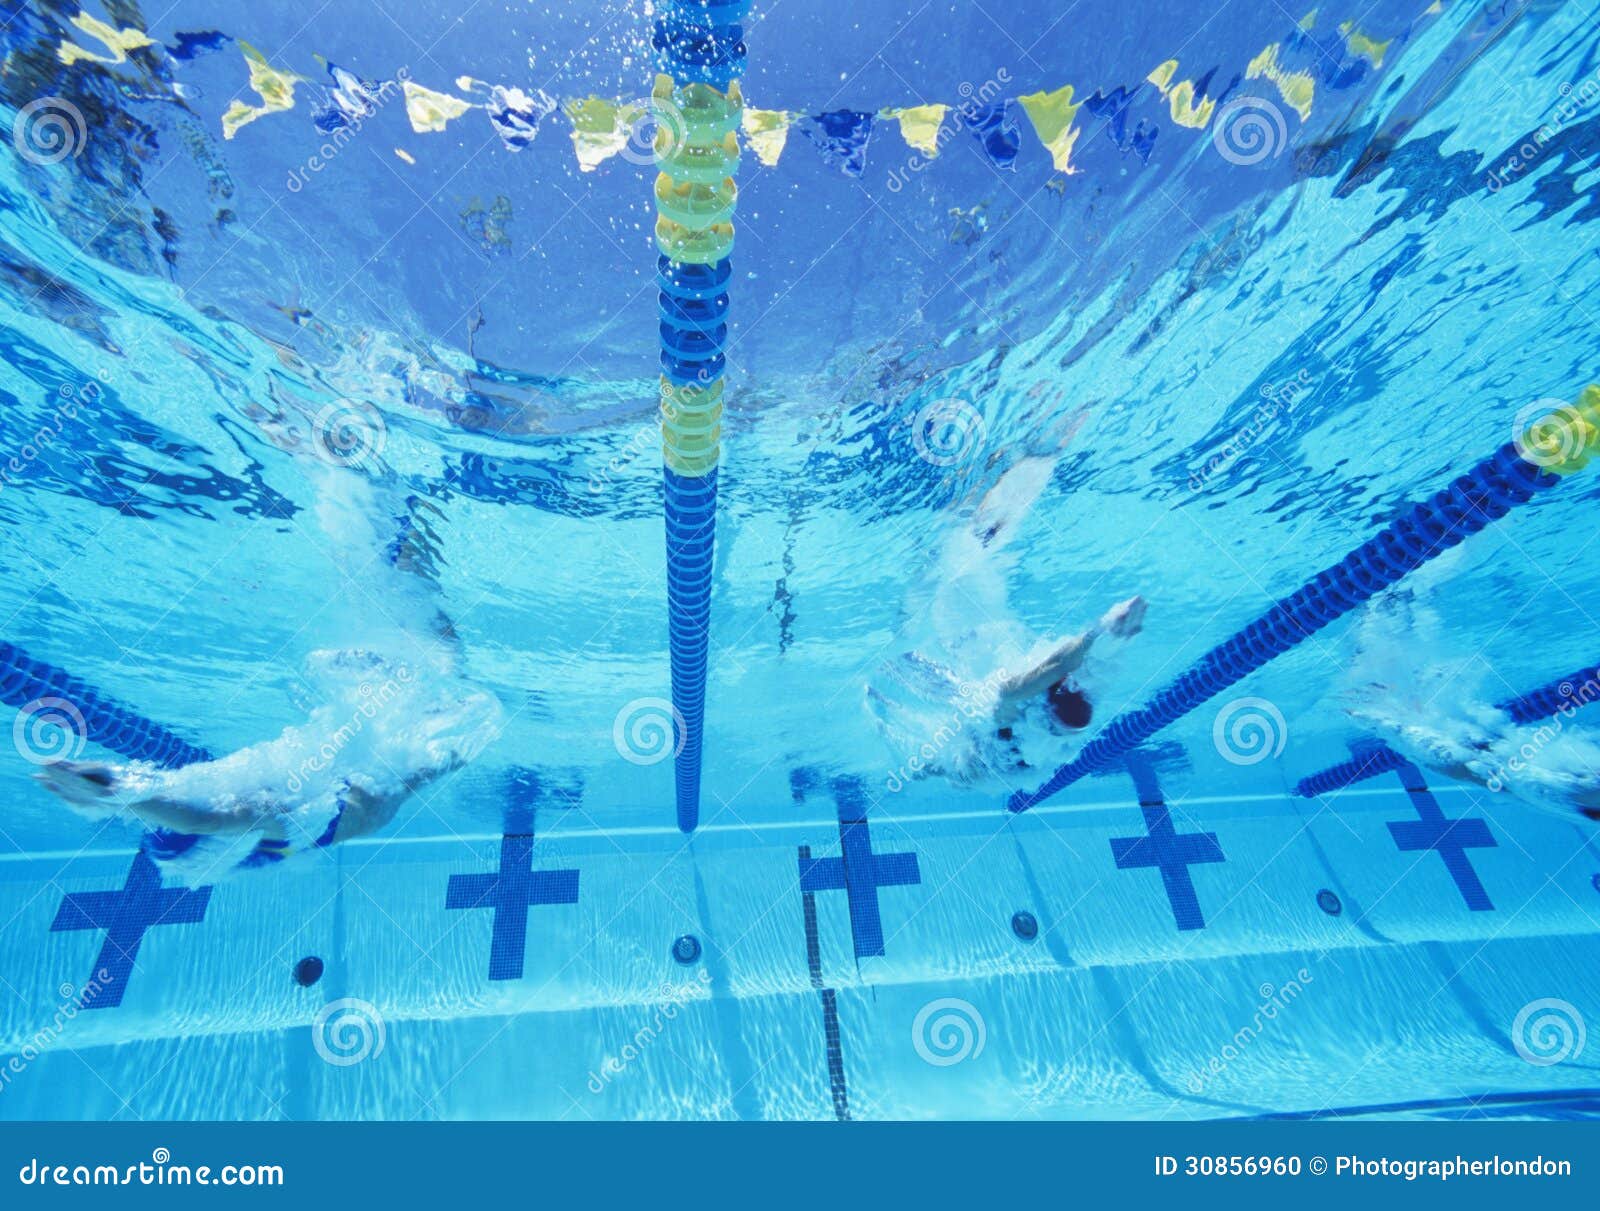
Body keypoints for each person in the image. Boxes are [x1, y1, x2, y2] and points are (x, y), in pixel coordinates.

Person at [35, 459, 501, 880]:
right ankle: (373, 489)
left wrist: (122, 792)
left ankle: (388, 491)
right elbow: (206, 817)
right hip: (380, 708)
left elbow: (206, 815)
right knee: (394, 597)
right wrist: (120, 792)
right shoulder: (301, 817)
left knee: (411, 609)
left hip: (387, 708)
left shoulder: (306, 820)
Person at [869, 451, 1145, 788]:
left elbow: (1056, 668)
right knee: (956, 571)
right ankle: (988, 498)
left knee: (939, 586)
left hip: (991, 731)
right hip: (999, 716)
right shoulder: (1039, 717)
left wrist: (1107, 630)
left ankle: (978, 507)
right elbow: (1072, 665)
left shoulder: (1006, 717)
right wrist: (1115, 630)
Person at [1343, 593, 1600, 820]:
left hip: (1461, 753)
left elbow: (1481, 769)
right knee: (1407, 685)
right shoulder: (1566, 789)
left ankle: (1397, 601)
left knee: (1390, 690)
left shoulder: (1568, 791)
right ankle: (1404, 599)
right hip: (1469, 751)